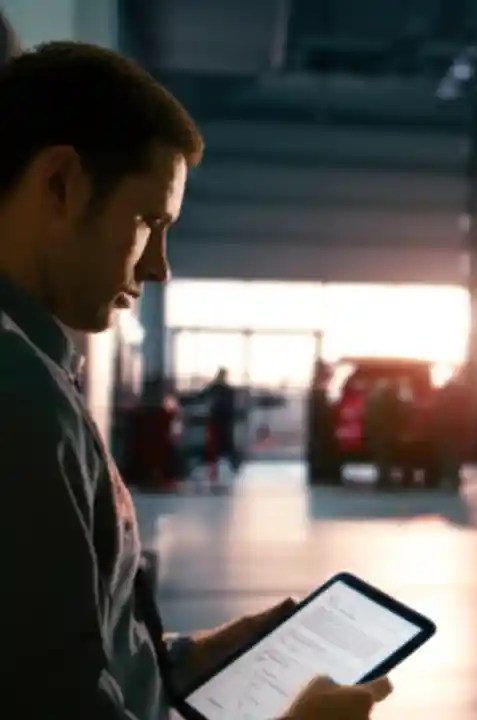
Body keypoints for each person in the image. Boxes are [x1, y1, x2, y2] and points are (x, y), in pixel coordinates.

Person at [0, 42, 391, 718]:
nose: (159, 266)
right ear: (61, 183)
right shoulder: (18, 393)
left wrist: (187, 659)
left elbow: (53, 655)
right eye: (150, 222)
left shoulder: (36, 367)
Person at [200, 367, 240, 487]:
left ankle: (217, 470)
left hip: (217, 420)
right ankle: (232, 466)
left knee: (217, 447)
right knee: (226, 445)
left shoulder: (214, 388)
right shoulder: (227, 390)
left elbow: (203, 396)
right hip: (224, 421)